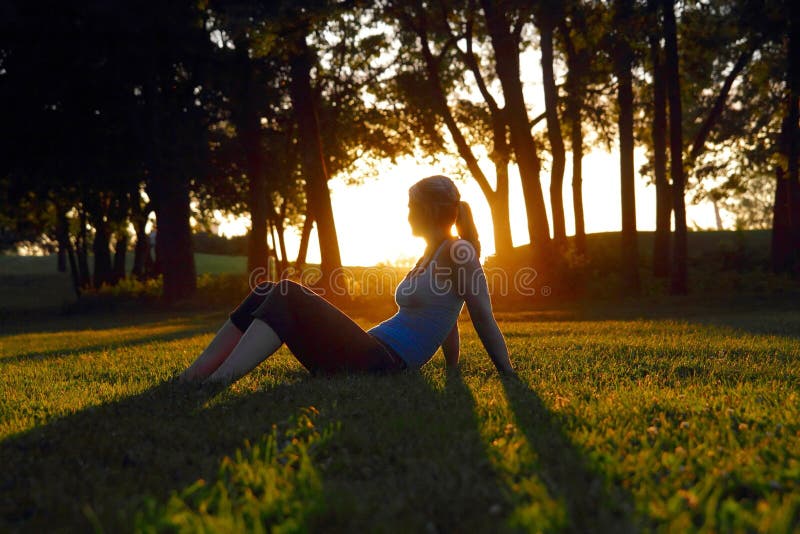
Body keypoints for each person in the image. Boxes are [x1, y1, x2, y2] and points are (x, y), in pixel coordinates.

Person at [178, 175, 514, 384]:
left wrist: (508, 375)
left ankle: (220, 381)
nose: (406, 214)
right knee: (267, 289)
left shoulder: (459, 253)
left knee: (286, 292)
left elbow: (482, 315)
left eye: (411, 206)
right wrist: (451, 367)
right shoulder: (432, 252)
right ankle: (195, 376)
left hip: (385, 362)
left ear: (426, 210)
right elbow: (446, 316)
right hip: (367, 353)